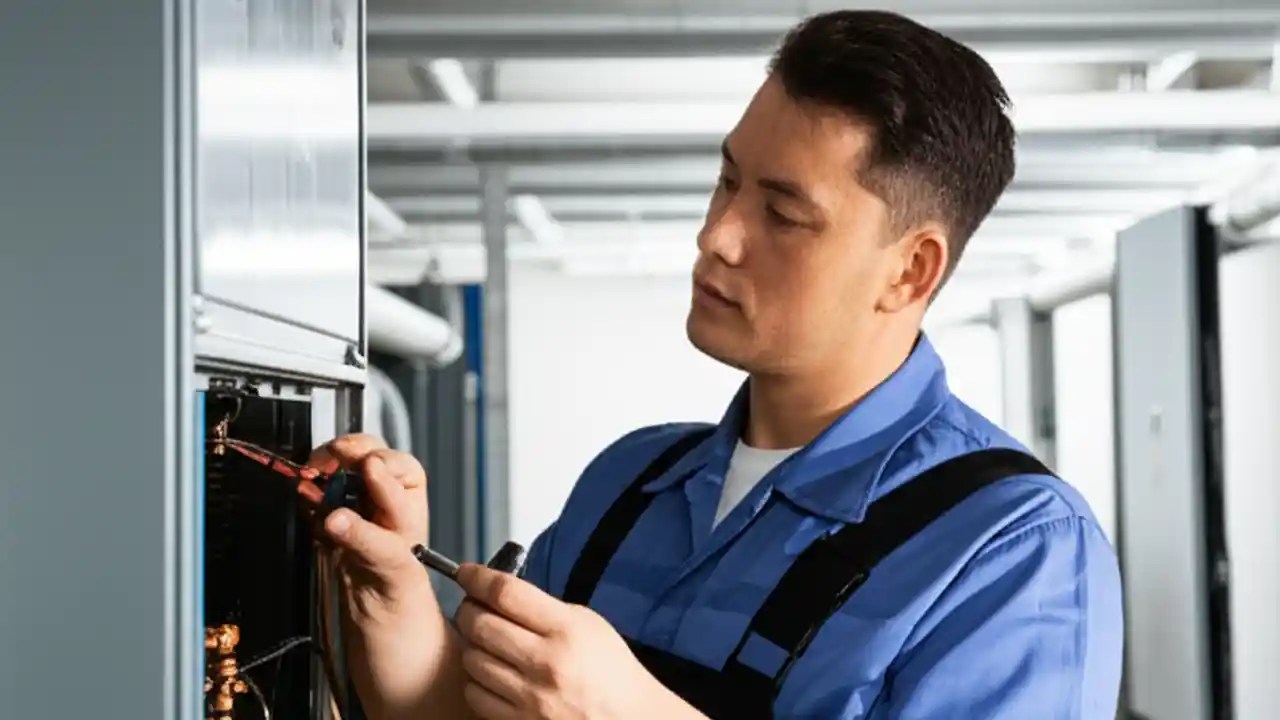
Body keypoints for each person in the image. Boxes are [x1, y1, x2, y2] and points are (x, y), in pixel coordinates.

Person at [304, 9, 1123, 719]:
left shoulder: (1015, 551)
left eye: (782, 214)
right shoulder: (627, 485)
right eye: (727, 181)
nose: (718, 235)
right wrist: (393, 591)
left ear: (910, 270)